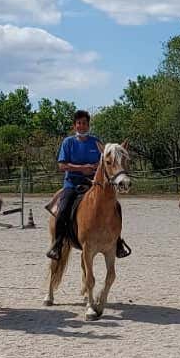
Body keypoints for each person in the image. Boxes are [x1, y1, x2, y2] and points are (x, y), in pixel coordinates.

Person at [46, 109, 131, 260]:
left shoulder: (96, 142)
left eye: (84, 123)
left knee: (115, 206)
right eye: (79, 123)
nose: (82, 126)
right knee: (64, 208)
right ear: (74, 126)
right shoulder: (68, 142)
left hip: (93, 184)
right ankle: (57, 244)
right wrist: (81, 168)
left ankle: (117, 242)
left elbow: (106, 162)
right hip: (72, 184)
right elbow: (62, 165)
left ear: (88, 125)